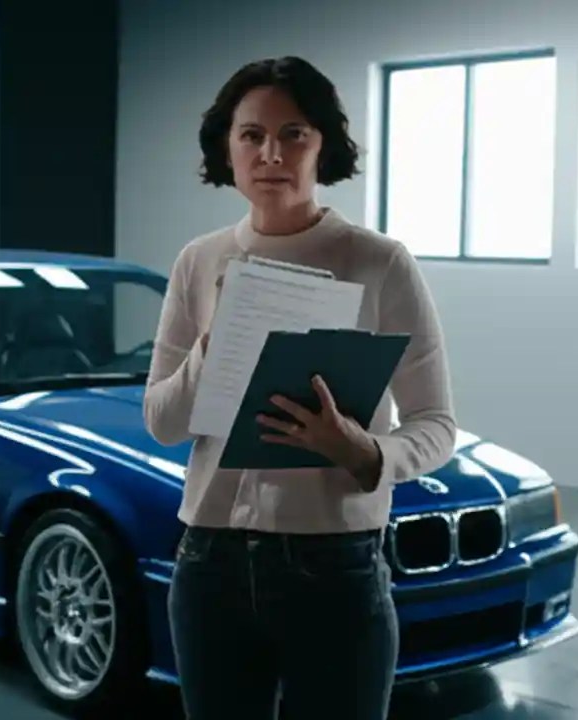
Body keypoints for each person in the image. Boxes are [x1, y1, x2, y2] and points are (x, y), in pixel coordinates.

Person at [142, 55, 457, 720]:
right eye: (251, 135)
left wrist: (364, 451)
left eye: (294, 134)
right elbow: (163, 423)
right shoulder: (197, 262)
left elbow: (435, 424)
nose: (271, 153)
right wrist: (212, 344)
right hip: (210, 560)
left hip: (335, 564)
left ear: (324, 146)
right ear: (226, 149)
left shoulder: (378, 262)